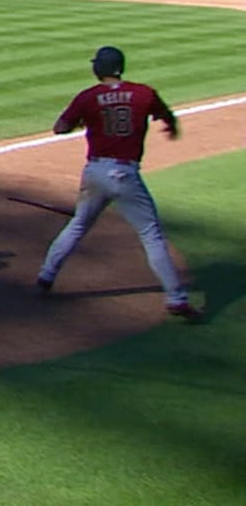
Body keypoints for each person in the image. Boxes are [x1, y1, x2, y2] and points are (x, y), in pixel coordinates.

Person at [36, 46, 202, 321]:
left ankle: (46, 274)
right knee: (151, 235)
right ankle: (176, 298)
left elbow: (60, 128)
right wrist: (170, 126)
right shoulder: (143, 93)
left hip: (96, 172)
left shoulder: (88, 97)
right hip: (126, 174)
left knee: (78, 224)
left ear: (97, 69)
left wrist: (84, 122)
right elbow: (166, 115)